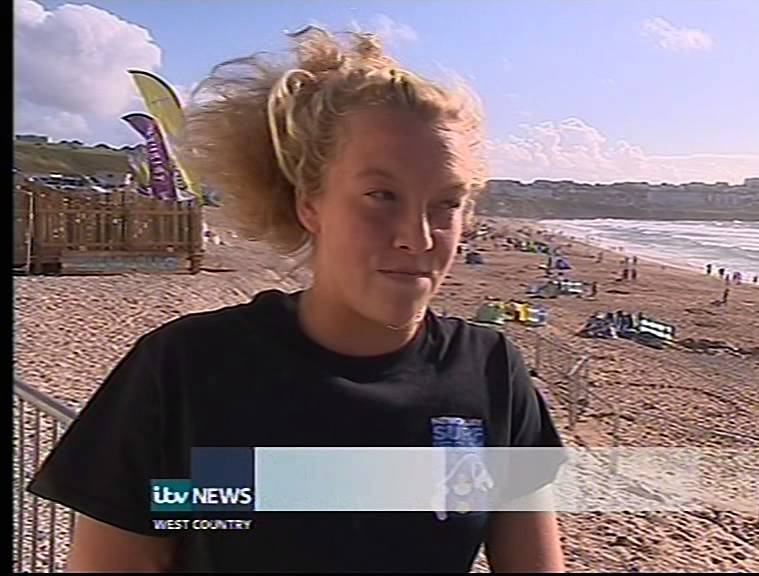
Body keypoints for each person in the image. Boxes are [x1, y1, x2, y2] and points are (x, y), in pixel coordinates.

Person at [27, 28, 566, 573]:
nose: (419, 237)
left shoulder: (491, 374)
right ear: (310, 203)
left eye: (446, 203)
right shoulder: (188, 370)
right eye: (382, 195)